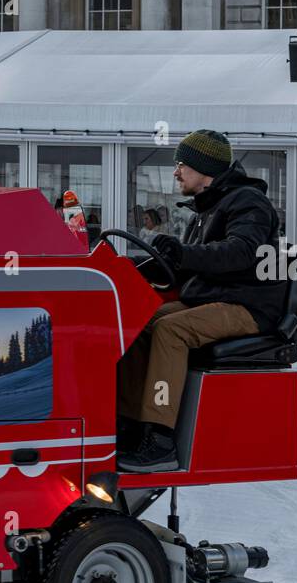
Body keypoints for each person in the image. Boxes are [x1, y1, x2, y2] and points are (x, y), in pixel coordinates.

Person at [116, 129, 282, 473]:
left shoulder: (248, 202)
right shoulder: (207, 208)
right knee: (141, 322)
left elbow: (241, 252)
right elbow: (185, 263)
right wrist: (132, 268)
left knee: (170, 331)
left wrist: (184, 253)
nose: (176, 172)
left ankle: (159, 437)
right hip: (215, 298)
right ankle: (129, 423)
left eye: (182, 165)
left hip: (248, 304)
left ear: (204, 169)